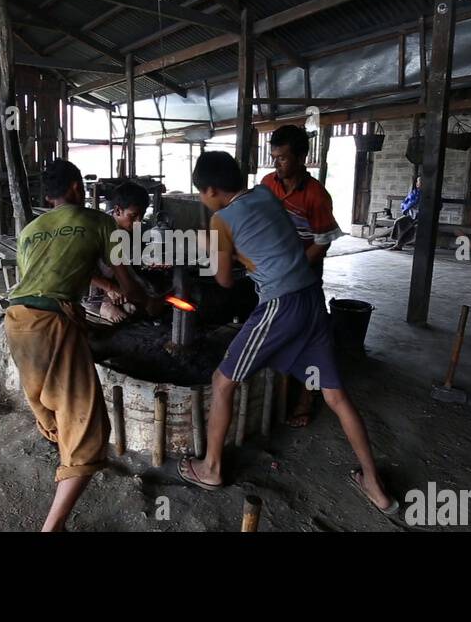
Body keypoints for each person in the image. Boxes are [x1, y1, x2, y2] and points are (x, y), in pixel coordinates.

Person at [177, 151, 397, 514]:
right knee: (337, 397)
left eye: (201, 193)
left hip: (281, 305)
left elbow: (224, 280)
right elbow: (266, 242)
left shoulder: (221, 220)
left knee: (222, 382)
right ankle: (374, 483)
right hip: (312, 297)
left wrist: (218, 250)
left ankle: (211, 468)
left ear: (212, 190)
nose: (202, 199)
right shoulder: (265, 194)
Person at [2, 159, 154, 532]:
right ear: (74, 188)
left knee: (50, 410)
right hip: (51, 325)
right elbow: (127, 279)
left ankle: (63, 463)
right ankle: (52, 526)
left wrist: (111, 292)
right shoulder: (99, 222)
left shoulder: (31, 229)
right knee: (89, 430)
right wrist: (143, 298)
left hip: (16, 321)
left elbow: (50, 275)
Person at [261, 124, 343, 427]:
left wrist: (295, 270)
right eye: (274, 157)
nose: (276, 164)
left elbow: (323, 240)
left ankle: (307, 398)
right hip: (274, 269)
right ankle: (272, 390)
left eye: (282, 158)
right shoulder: (268, 184)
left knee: (308, 331)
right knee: (274, 325)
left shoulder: (317, 196)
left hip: (304, 271)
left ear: (301, 157)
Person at [82, 182, 149, 323]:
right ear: (118, 211)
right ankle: (97, 303)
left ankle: (116, 297)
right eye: (134, 215)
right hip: (89, 286)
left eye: (142, 214)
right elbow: (79, 271)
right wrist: (110, 288)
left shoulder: (131, 230)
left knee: (141, 303)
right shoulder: (97, 229)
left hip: (114, 280)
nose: (139, 220)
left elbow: (131, 263)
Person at [389, 176, 421, 251]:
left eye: (419, 182)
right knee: (399, 222)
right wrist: (408, 208)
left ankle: (399, 244)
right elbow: (405, 203)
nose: (418, 183)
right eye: (418, 181)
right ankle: (398, 243)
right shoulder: (414, 192)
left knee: (408, 225)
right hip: (411, 215)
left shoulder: (428, 193)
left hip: (421, 216)